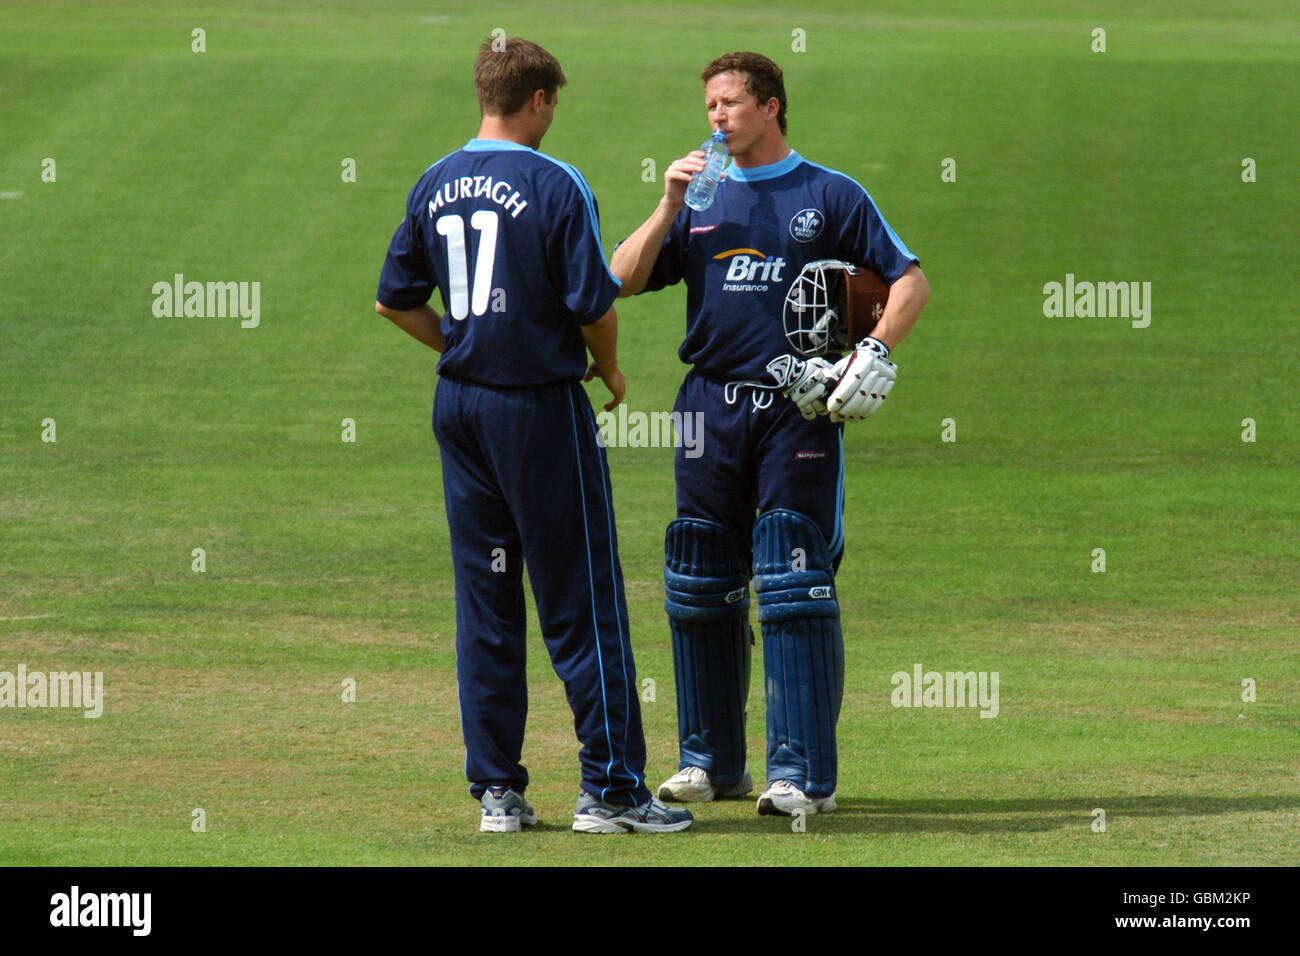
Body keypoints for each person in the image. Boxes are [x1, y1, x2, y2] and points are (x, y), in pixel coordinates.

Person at [373, 36, 691, 835]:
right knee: (582, 597)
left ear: (486, 93)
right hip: (538, 413)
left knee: (486, 601)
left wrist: (464, 346)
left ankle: (498, 796)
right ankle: (613, 792)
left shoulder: (435, 178)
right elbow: (596, 299)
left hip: (462, 410)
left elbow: (393, 300)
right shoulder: (555, 181)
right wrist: (610, 371)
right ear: (540, 100)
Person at [610, 51, 930, 816]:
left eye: (729, 103)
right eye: (710, 105)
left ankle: (801, 776)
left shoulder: (829, 192)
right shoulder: (700, 193)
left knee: (793, 580)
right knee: (700, 577)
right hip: (706, 407)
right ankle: (711, 763)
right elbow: (614, 280)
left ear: (772, 106)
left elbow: (909, 279)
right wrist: (666, 205)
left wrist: (876, 347)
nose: (716, 117)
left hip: (799, 409)